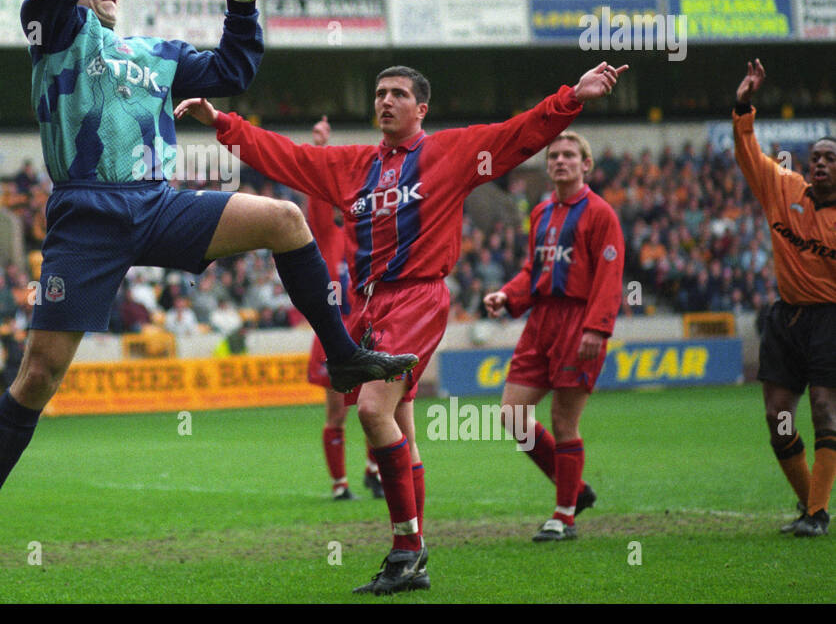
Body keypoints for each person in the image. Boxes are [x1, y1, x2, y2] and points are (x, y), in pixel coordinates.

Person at [0, 0, 420, 577]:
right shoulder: (54, 33)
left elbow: (233, 72)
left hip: (160, 204)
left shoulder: (155, 53)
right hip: (87, 215)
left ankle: (345, 354)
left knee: (287, 222)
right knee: (39, 374)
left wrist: (241, 4)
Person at [177, 59, 627, 593]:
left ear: (422, 108)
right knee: (403, 431)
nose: (384, 101)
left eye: (397, 94)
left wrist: (571, 97)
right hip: (371, 307)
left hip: (417, 298)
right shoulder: (354, 166)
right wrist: (224, 123)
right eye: (379, 94)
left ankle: (407, 550)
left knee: (370, 409)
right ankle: (414, 555)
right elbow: (291, 157)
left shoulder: (449, 153)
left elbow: (516, 135)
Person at [483, 131, 623, 541]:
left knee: (564, 420)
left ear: (586, 165)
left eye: (569, 155)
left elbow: (609, 277)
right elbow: (534, 271)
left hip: (578, 322)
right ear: (547, 166)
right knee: (511, 414)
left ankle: (564, 516)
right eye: (554, 156)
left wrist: (597, 328)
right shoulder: (541, 212)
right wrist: (507, 295)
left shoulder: (600, 214)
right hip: (539, 323)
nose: (561, 161)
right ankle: (575, 490)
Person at [733, 59, 836, 537]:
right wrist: (744, 105)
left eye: (830, 158)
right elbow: (749, 154)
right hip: (786, 317)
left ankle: (816, 513)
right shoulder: (784, 190)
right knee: (777, 416)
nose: (819, 162)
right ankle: (809, 504)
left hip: (830, 319)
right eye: (815, 156)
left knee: (822, 406)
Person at [305, 115, 381, 500]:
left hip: (366, 334)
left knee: (374, 409)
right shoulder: (327, 235)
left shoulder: (368, 241)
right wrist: (320, 148)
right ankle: (340, 485)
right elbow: (317, 199)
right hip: (333, 334)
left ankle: (373, 471)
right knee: (338, 413)